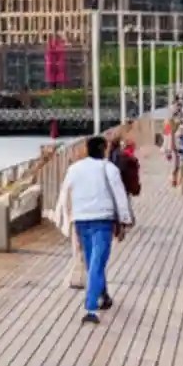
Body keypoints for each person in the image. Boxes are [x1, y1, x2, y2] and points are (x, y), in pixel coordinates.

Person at [57, 136, 134, 325]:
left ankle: (104, 295)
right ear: (103, 149)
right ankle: (91, 308)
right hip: (102, 220)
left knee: (93, 263)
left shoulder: (74, 169)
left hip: (81, 220)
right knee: (97, 263)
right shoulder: (109, 169)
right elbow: (120, 195)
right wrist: (125, 219)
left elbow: (64, 193)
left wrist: (66, 220)